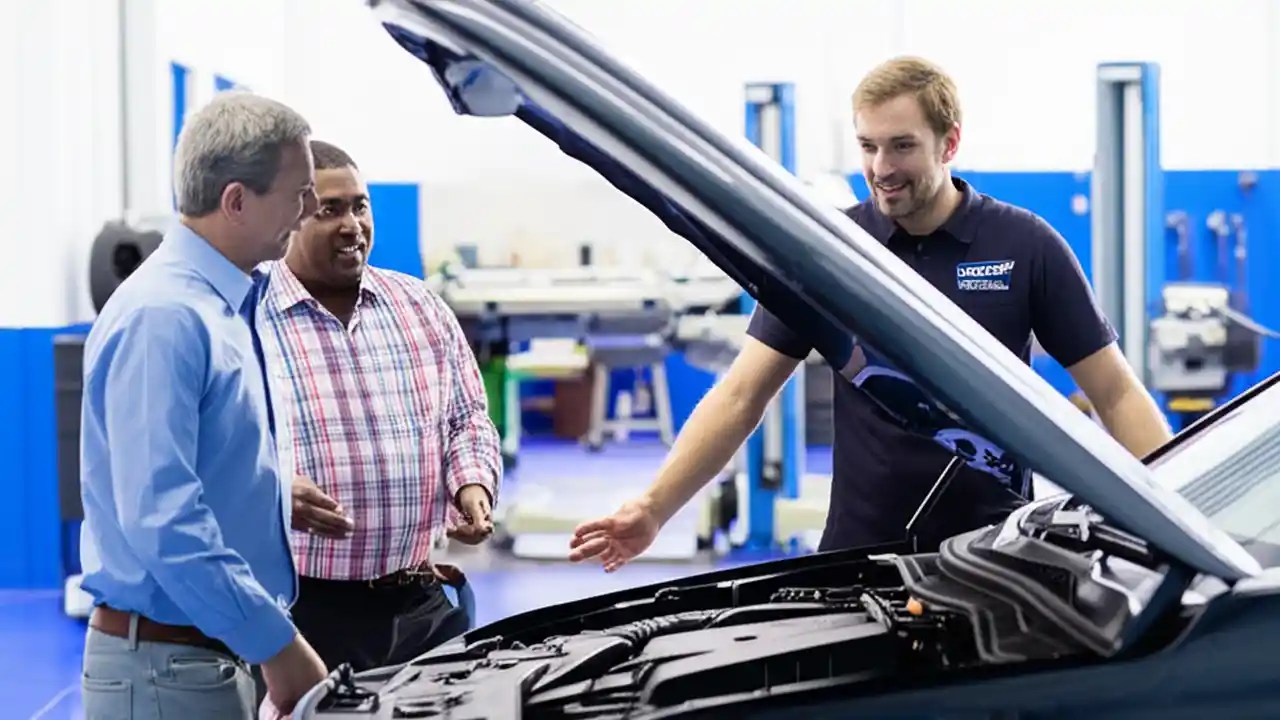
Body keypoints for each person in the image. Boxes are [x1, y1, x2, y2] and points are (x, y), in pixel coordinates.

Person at [568, 55, 1172, 570]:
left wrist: (1181, 515)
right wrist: (654, 507)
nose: (882, 168)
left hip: (996, 556)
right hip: (857, 553)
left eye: (903, 146)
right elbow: (740, 396)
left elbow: (1114, 393)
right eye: (868, 146)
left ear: (950, 142)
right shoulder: (831, 253)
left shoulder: (1025, 246)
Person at [77, 91, 328, 719]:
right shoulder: (165, 317)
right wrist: (278, 644)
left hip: (203, 657)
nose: (313, 209)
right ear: (236, 201)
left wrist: (262, 492)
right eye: (299, 192)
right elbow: (162, 518)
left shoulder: (228, 303)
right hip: (166, 667)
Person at [256, 139, 502, 673]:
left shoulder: (418, 306)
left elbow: (467, 417)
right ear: (289, 219)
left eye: (359, 206)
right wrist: (273, 490)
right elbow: (214, 452)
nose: (351, 225)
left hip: (422, 601)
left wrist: (472, 483)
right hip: (305, 611)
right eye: (329, 210)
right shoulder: (249, 322)